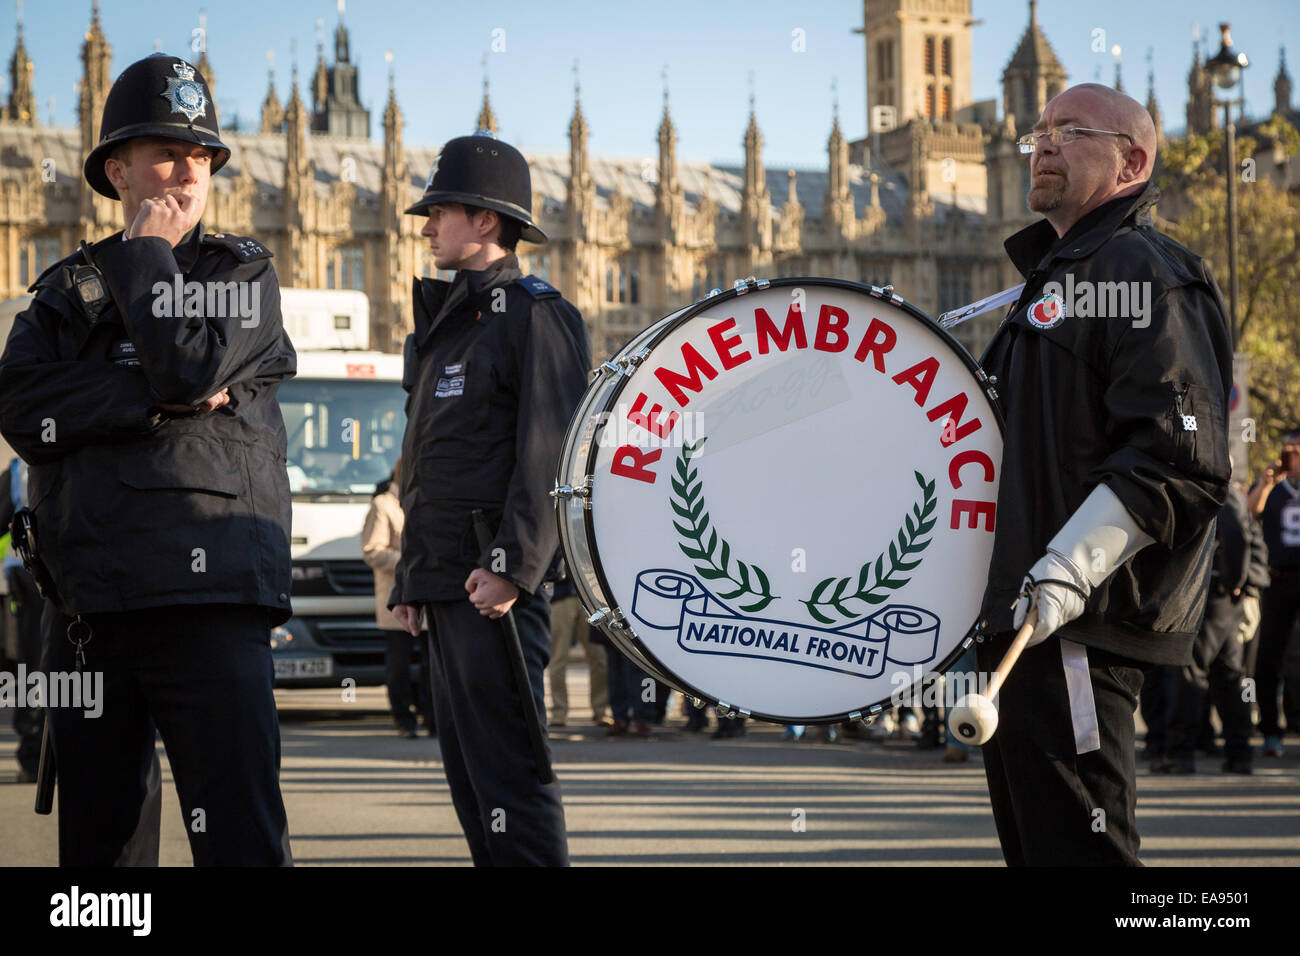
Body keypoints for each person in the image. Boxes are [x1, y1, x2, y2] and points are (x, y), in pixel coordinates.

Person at [0, 54, 296, 866]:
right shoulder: (64, 290)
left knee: (239, 841)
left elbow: (188, 368)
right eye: (164, 152)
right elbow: (23, 408)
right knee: (101, 855)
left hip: (212, 604)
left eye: (199, 156)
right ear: (115, 170)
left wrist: (146, 261)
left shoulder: (243, 272)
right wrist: (146, 403)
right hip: (91, 609)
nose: (185, 171)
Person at [974, 84, 1232, 866]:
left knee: (1082, 855)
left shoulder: (1140, 269)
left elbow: (1178, 457)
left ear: (1134, 161)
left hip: (1076, 620)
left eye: (1070, 131)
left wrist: (1068, 566)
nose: (1042, 145)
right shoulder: (1058, 279)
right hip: (1021, 622)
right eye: (1038, 132)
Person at [388, 133, 591, 866]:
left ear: (485, 221)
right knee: (472, 786)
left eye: (439, 210)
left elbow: (555, 452)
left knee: (512, 778)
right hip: (448, 583)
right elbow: (427, 469)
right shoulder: (448, 327)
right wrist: (414, 578)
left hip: (493, 587)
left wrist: (513, 564)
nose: (426, 224)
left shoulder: (534, 315)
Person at [1158, 485, 1255, 774]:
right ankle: (1239, 754)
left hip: (1208, 592)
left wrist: (1232, 578)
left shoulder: (1213, 486)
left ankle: (1181, 753)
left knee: (1190, 671)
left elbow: (1237, 531)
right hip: (1218, 594)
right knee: (1228, 674)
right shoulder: (1217, 489)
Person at [361, 457, 434, 737]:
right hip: (397, 594)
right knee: (400, 664)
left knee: (432, 662)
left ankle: (432, 716)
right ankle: (402, 718)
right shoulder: (383, 505)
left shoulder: (422, 499)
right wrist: (410, 560)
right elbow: (372, 550)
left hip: (424, 594)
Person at [1245, 430, 1300, 756]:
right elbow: (1249, 514)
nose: (1291, 454)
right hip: (1277, 580)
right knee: (1269, 656)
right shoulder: (1271, 486)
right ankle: (1270, 730)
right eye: (1288, 449)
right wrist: (1266, 483)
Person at [1, 457, 42, 782]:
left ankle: (33, 758)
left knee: (34, 665)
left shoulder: (17, 469)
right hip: (76, 571)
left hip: (28, 573)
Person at [546, 568, 610, 728]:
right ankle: (559, 712)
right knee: (558, 659)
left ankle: (601, 711)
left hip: (589, 597)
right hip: (560, 595)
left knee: (598, 657)